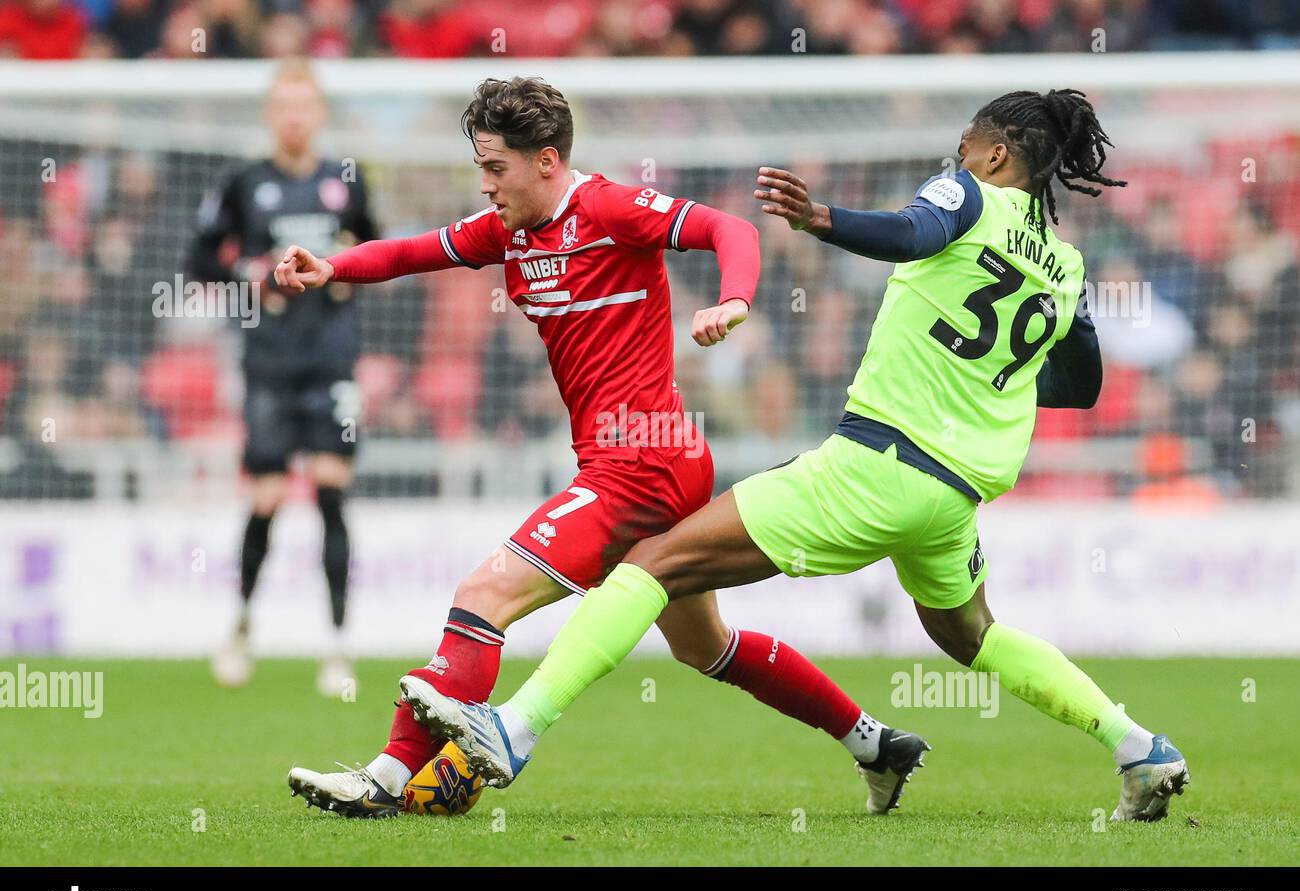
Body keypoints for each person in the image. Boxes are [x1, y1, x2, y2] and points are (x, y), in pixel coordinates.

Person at [413, 89, 1191, 824]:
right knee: (972, 635)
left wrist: (821, 217)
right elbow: (1081, 385)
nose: (954, 164)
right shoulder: (1065, 265)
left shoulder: (968, 195)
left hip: (874, 467)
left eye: (964, 150)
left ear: (992, 155)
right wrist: (993, 378)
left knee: (649, 565)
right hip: (953, 495)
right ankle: (1137, 748)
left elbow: (911, 233)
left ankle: (515, 728)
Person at [281, 77, 928, 819]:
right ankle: (875, 742)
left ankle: (386, 781)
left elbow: (732, 230)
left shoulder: (611, 209)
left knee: (483, 596)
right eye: (481, 169)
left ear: (547, 161)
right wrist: (336, 267)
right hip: (640, 461)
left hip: (641, 459)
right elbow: (415, 253)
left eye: (496, 169)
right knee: (704, 647)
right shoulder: (512, 231)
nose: (486, 186)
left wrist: (735, 299)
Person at [187, 60, 378, 696]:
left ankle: (338, 647)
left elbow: (375, 251)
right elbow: (197, 261)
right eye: (284, 106)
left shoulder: (345, 179)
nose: (294, 116)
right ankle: (241, 627)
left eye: (305, 105)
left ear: (318, 113)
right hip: (268, 362)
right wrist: (245, 272)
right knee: (266, 498)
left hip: (331, 361)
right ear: (272, 114)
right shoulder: (243, 182)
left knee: (330, 491)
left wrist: (345, 267)